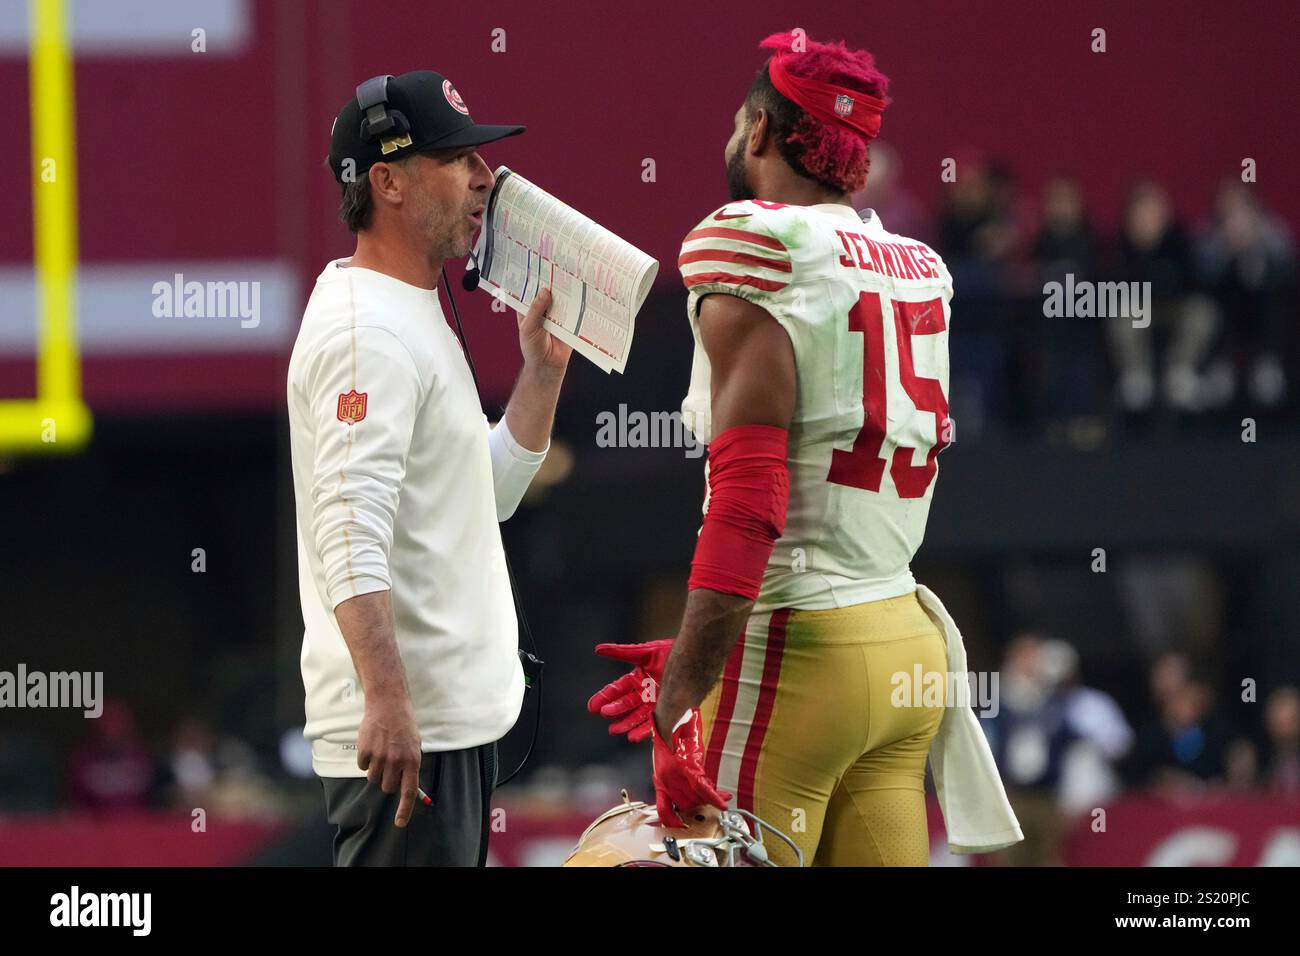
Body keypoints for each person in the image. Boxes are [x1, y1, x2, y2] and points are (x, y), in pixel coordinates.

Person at [588, 32, 1019, 865]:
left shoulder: (757, 244)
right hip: (902, 645)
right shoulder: (918, 262)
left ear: (758, 130)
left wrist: (685, 688)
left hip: (798, 647)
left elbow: (750, 504)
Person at [288, 70, 571, 866]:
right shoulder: (366, 334)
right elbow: (346, 532)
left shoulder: (405, 308)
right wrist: (385, 697)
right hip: (409, 736)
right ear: (387, 182)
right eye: (456, 160)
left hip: (438, 729)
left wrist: (541, 374)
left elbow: (487, 497)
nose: (486, 178)